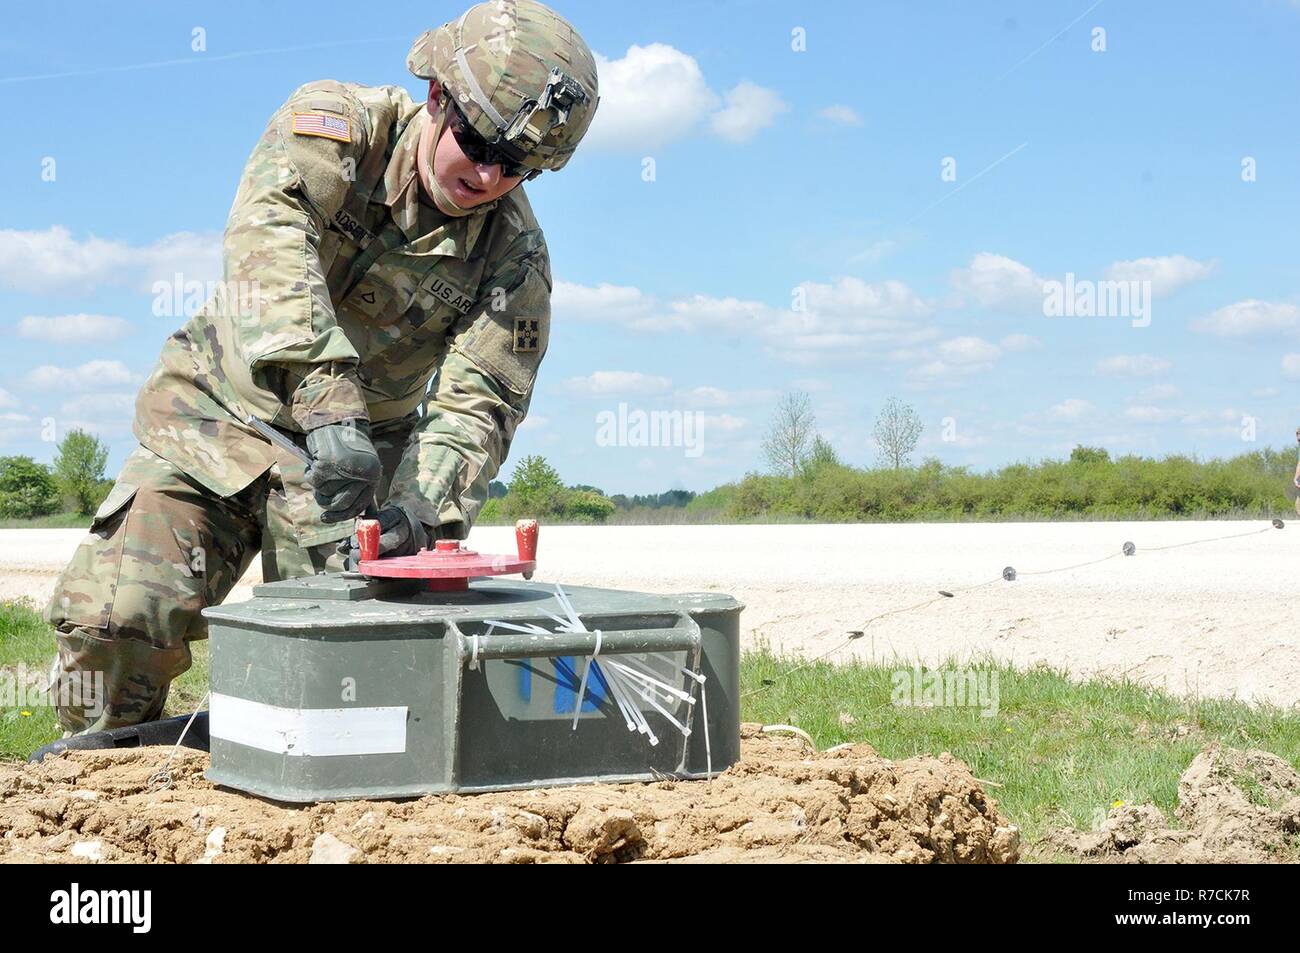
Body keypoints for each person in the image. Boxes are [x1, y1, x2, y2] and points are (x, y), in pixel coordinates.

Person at [45, 0, 599, 735]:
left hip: (357, 471)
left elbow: (482, 399)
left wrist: (420, 509)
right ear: (438, 97)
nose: (491, 175)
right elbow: (269, 247)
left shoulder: (514, 255)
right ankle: (102, 777)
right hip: (220, 422)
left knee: (349, 686)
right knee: (111, 625)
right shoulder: (336, 129)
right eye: (478, 141)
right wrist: (326, 397)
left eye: (520, 165)